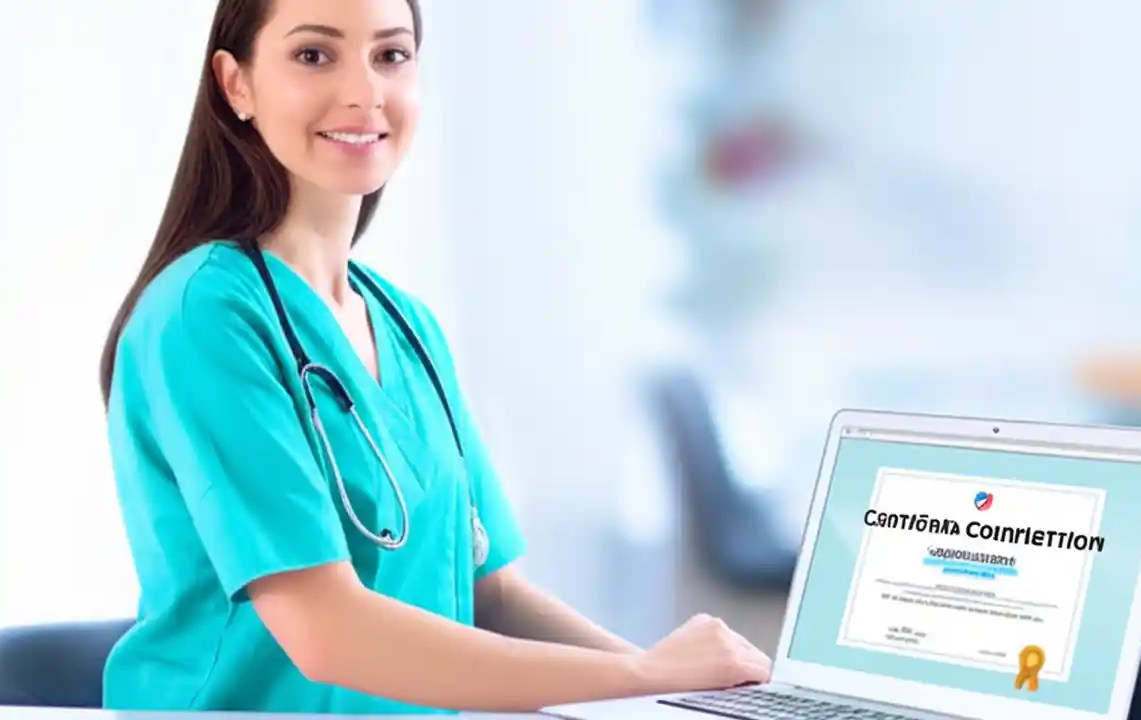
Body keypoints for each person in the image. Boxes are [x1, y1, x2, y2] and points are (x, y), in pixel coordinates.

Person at [96, 0, 771, 715]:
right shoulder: (205, 315)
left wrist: (683, 689)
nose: (364, 92)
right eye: (314, 55)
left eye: (390, 56)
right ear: (236, 84)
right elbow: (326, 632)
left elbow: (490, 593)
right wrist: (643, 680)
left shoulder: (404, 322)